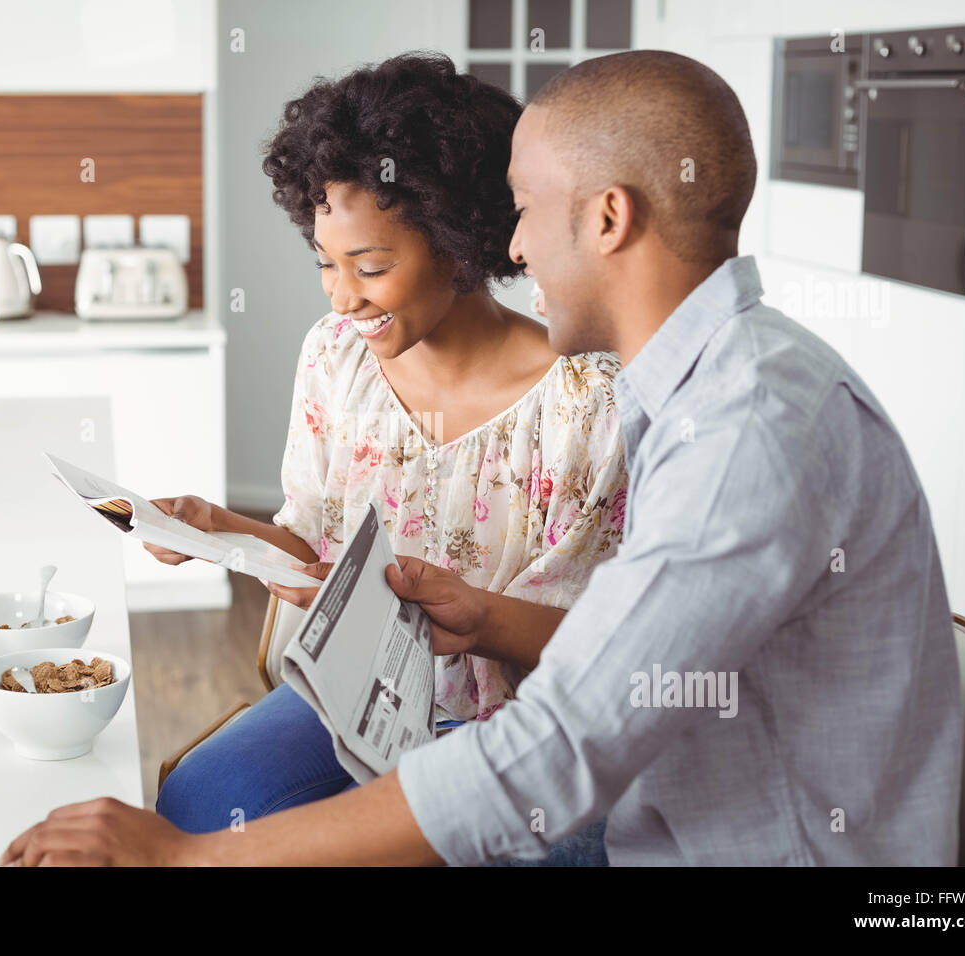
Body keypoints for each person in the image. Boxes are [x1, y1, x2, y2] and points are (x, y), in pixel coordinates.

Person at [0, 50, 962, 867]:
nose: (507, 242)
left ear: (608, 218)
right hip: (667, 795)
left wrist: (192, 860)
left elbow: (555, 748)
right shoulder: (715, 384)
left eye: (524, 208)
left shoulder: (744, 424)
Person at [146, 53, 627, 841]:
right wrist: (219, 530)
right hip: (354, 705)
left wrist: (476, 621)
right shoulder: (335, 357)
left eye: (370, 268)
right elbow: (312, 548)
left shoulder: (587, 403)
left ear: (457, 243)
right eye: (326, 264)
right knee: (201, 806)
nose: (342, 297)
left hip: (514, 733)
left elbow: (597, 648)